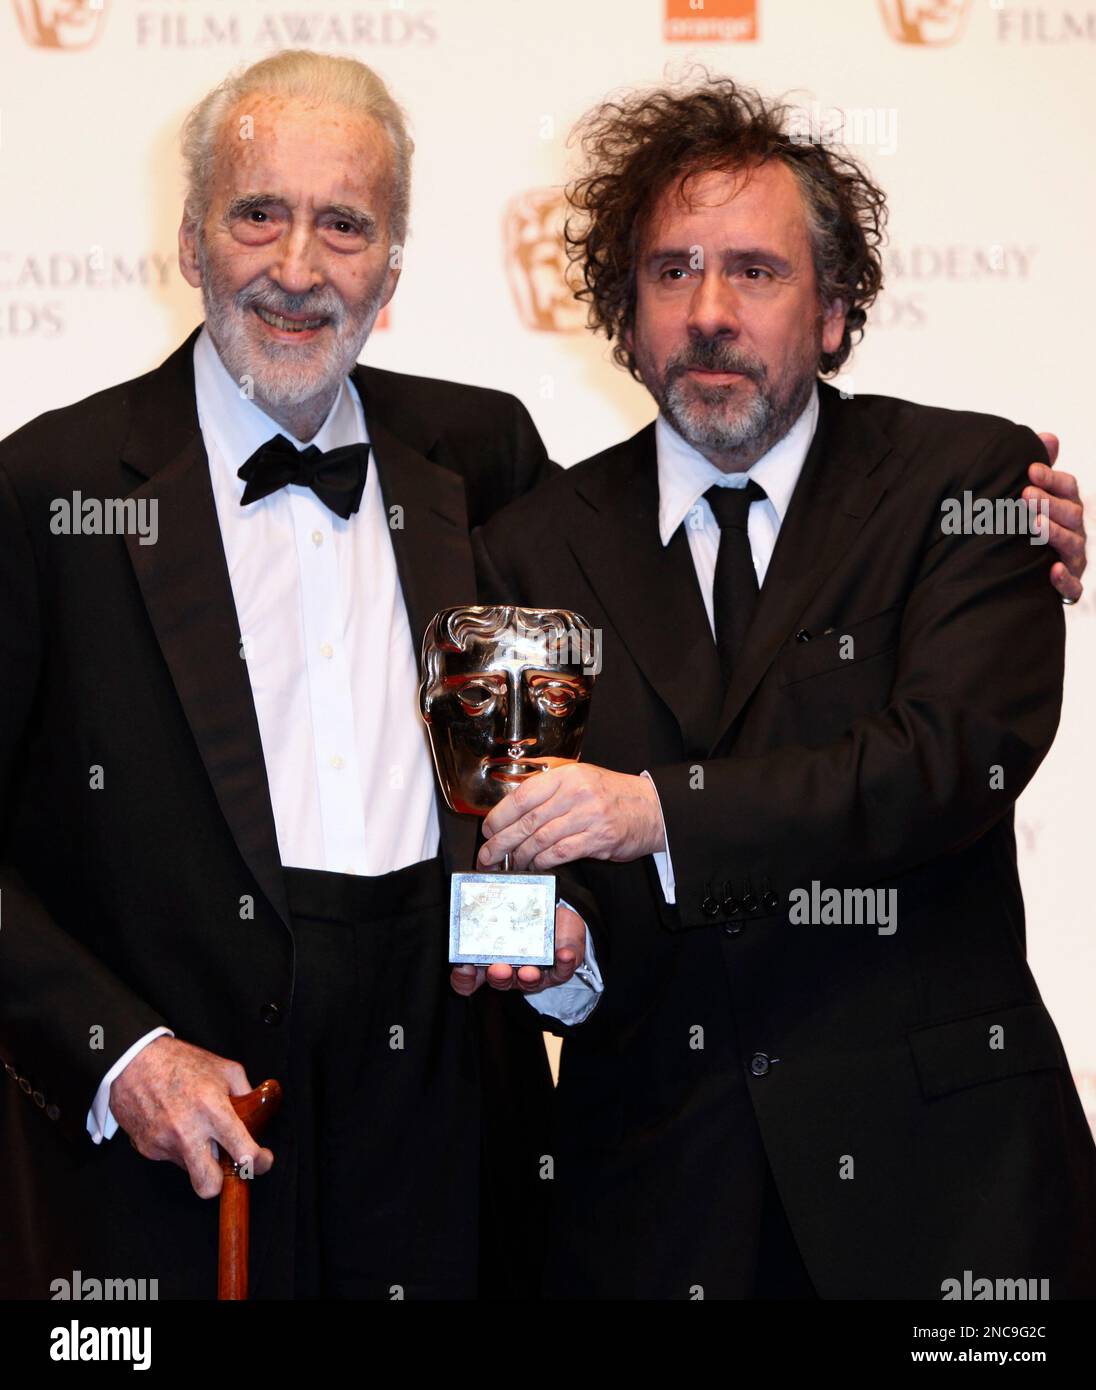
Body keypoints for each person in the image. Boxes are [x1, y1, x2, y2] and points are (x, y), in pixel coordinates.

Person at [467, 75, 1094, 1299]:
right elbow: (522, 853)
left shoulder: (964, 479)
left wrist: (659, 811)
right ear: (622, 315)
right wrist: (560, 951)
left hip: (947, 1193)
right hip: (649, 1208)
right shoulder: (529, 550)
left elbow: (949, 758)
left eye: (755, 272)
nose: (709, 313)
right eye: (669, 273)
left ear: (834, 311)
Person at [0, 49, 591, 1301]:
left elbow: (683, 574)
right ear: (189, 239)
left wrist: (962, 515)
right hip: (172, 1144)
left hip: (448, 1108)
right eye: (257, 212)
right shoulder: (47, 488)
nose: (297, 266)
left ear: (392, 268)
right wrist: (121, 1056)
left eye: (344, 224)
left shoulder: (484, 453)